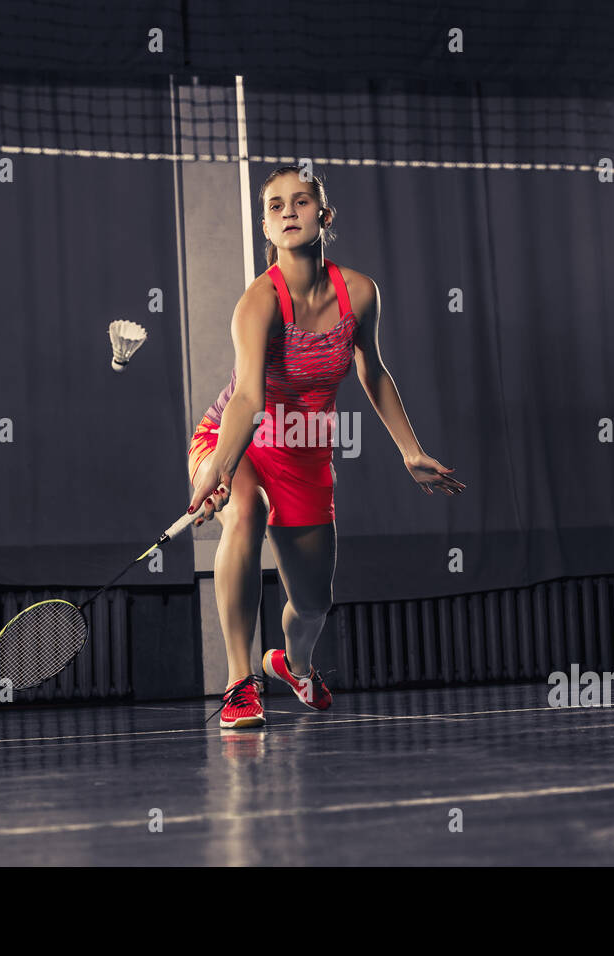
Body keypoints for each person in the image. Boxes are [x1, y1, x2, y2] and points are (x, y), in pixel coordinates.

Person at [188, 165, 466, 728]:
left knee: (313, 604)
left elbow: (375, 371)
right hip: (236, 436)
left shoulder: (360, 293)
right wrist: (217, 469)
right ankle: (239, 682)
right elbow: (246, 399)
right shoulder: (257, 303)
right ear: (267, 227)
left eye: (300, 201)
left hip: (306, 449)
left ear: (324, 215)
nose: (288, 211)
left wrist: (409, 450)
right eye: (275, 206)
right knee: (245, 512)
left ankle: (292, 665)